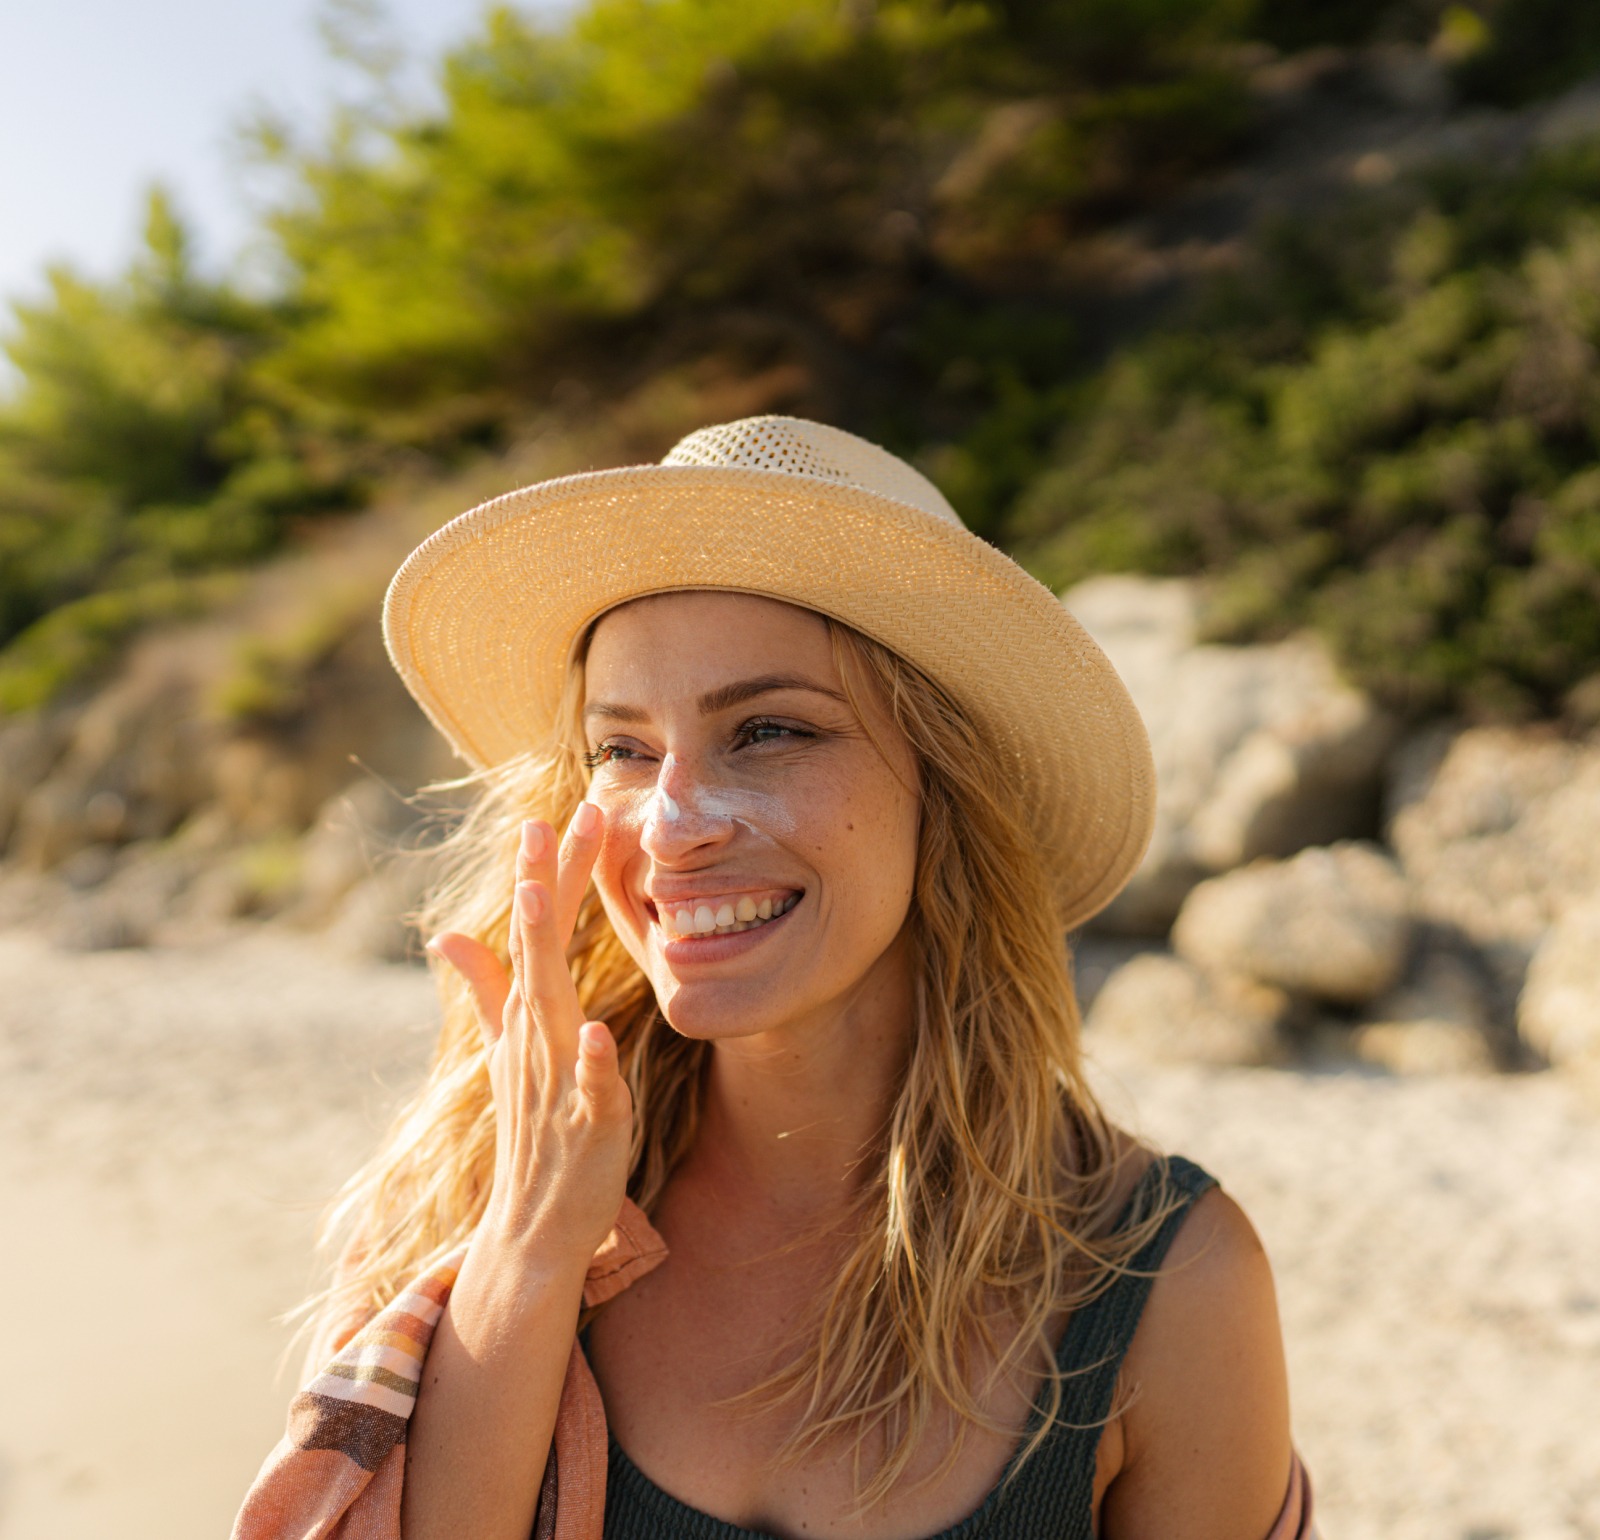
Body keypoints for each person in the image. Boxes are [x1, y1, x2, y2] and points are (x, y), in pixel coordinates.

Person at [234, 415, 1315, 1540]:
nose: (671, 826)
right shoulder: (460, 1204)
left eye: (768, 730)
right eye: (623, 749)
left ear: (942, 790)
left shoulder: (1163, 1279)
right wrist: (529, 1250)